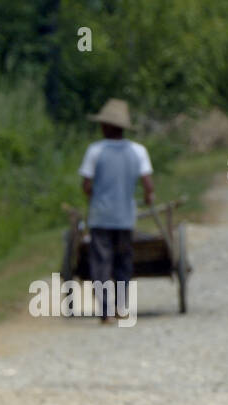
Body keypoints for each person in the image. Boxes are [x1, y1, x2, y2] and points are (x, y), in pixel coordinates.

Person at [78, 98, 155, 321]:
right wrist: (148, 196)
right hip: (124, 217)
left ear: (107, 127)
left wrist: (96, 195)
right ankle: (121, 306)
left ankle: (105, 311)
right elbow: (148, 185)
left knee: (101, 263)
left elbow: (86, 185)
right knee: (123, 262)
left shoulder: (95, 151)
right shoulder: (138, 151)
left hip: (101, 217)